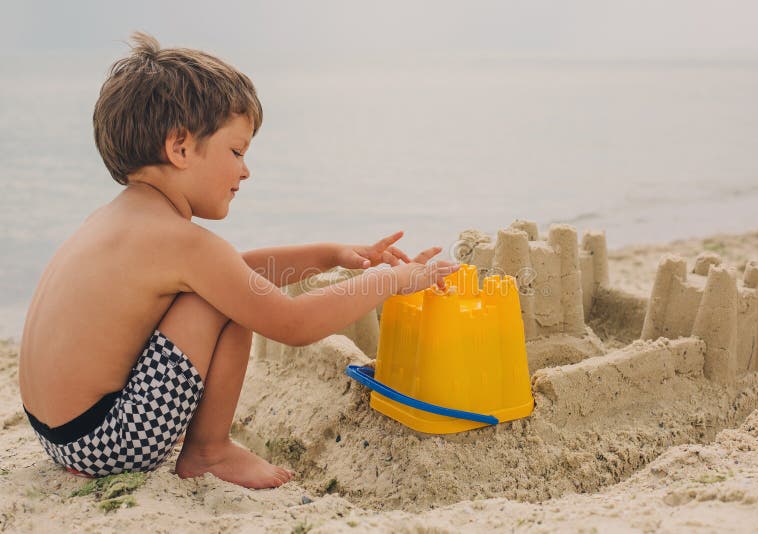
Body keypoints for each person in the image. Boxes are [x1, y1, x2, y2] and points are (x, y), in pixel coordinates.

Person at [18, 32, 459, 490]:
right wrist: (395, 278)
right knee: (231, 300)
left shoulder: (114, 221)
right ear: (180, 148)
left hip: (56, 434)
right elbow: (293, 324)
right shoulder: (181, 243)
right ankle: (209, 451)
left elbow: (233, 268)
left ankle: (208, 449)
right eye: (237, 151)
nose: (245, 170)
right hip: (111, 440)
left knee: (228, 289)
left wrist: (332, 256)